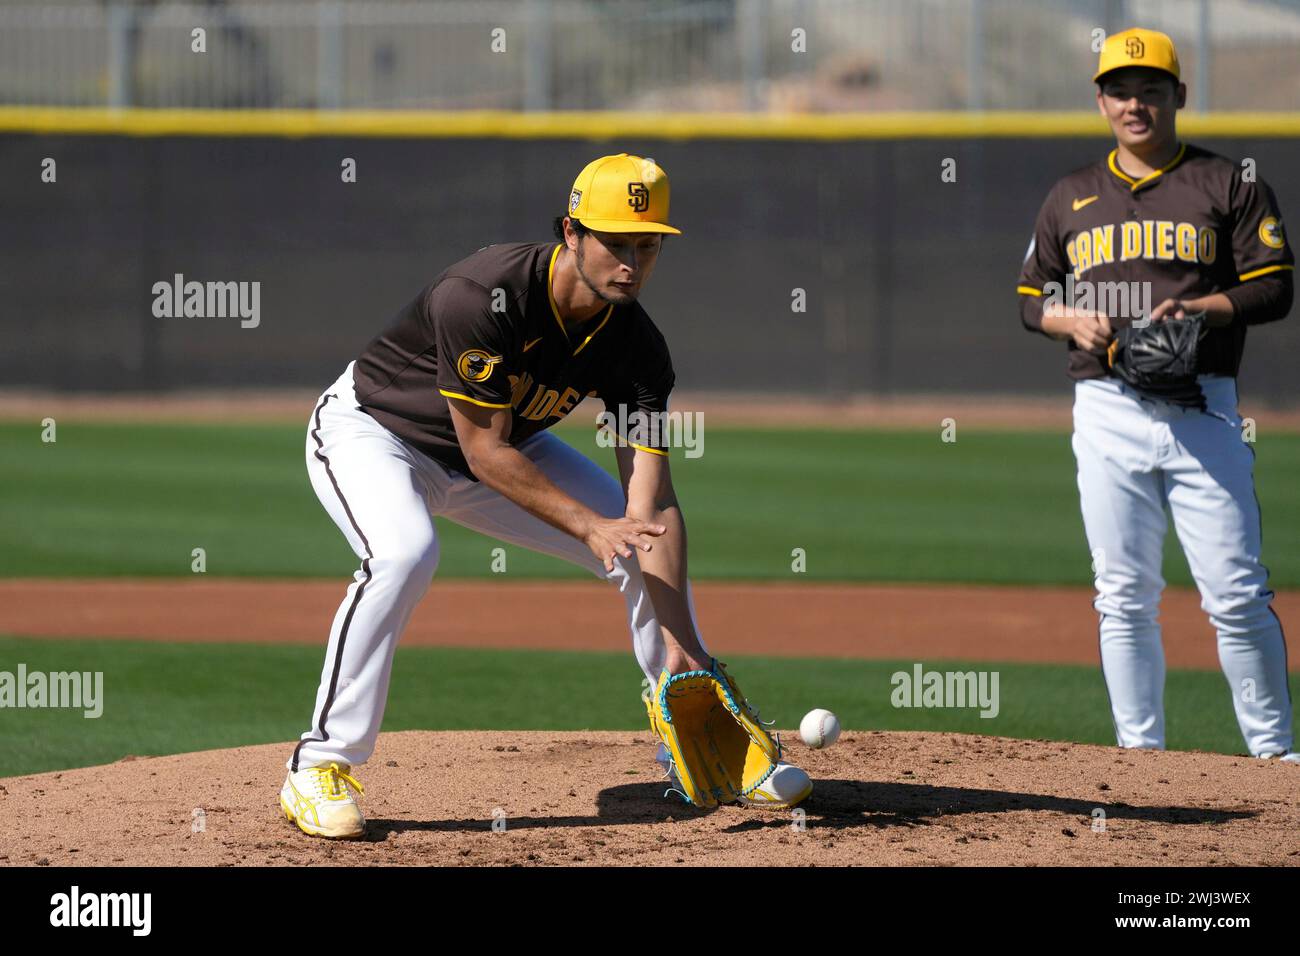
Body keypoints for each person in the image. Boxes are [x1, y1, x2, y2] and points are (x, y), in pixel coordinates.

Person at [279, 153, 811, 838]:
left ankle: (690, 726)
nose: (632, 261)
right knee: (405, 553)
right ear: (571, 232)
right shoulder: (483, 293)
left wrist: (684, 644)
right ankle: (318, 765)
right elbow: (482, 452)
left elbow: (651, 504)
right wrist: (591, 526)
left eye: (646, 245)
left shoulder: (639, 347)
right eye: (615, 242)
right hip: (379, 435)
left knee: (634, 550)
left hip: (508, 446)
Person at [1017, 29, 1296, 760]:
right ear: (1101, 99)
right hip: (1105, 406)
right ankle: (1142, 764)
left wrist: (1201, 310)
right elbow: (1028, 295)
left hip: (1201, 403)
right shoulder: (1069, 194)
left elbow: (1275, 287)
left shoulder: (1229, 183)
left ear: (1179, 94)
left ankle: (1276, 759)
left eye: (1150, 88)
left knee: (1236, 595)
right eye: (1119, 89)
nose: (1134, 102)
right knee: (1122, 596)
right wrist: (1062, 316)